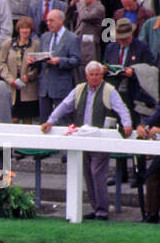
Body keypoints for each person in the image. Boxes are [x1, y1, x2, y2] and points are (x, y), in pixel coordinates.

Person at [41, 61, 133, 220]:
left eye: (98, 74)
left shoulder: (109, 90)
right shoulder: (79, 89)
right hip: (82, 138)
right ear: (86, 76)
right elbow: (64, 106)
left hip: (100, 139)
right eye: (92, 75)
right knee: (87, 175)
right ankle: (95, 208)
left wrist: (127, 124)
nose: (95, 77)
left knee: (97, 173)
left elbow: (121, 108)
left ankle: (103, 211)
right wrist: (50, 120)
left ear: (102, 75)